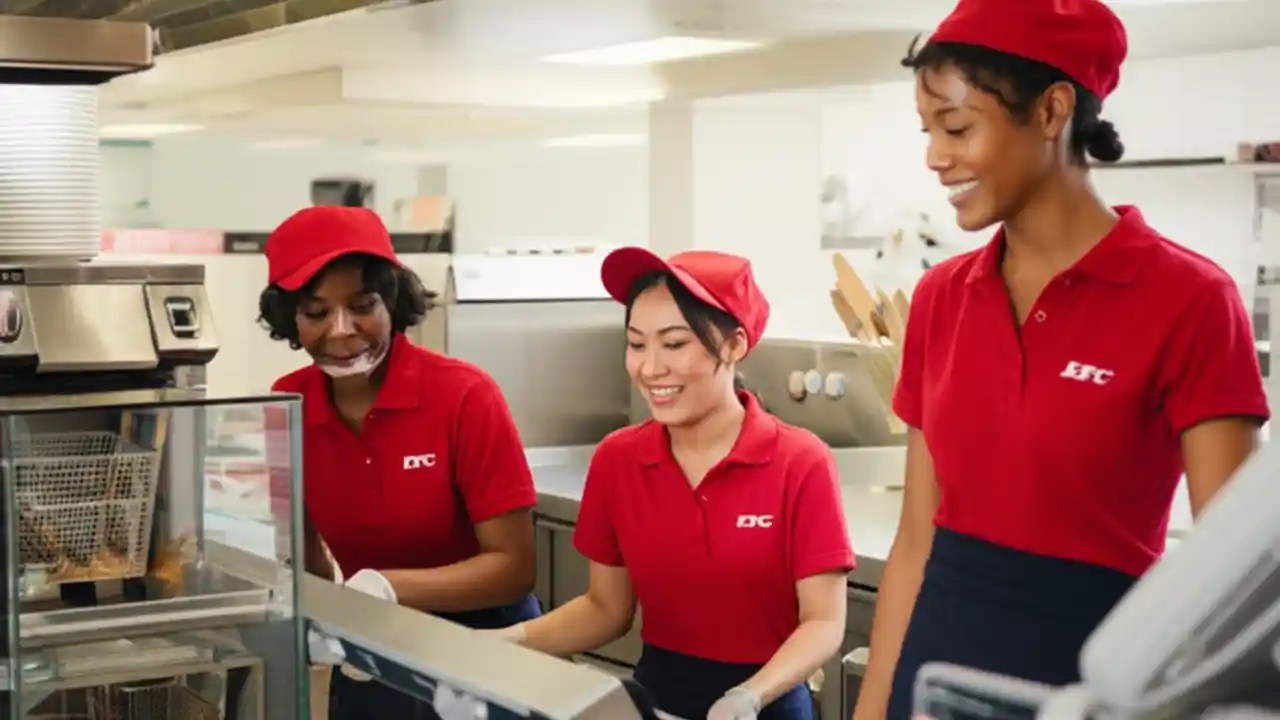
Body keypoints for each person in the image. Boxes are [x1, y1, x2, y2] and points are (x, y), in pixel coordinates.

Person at [852, 2, 1272, 719]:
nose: (935, 157)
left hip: (1088, 680)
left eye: (957, 127)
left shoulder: (1192, 299)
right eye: (929, 132)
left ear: (1051, 111)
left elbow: (1232, 582)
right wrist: (872, 709)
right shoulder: (940, 297)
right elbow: (917, 539)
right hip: (934, 665)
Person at [488, 247, 854, 720]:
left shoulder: (799, 462)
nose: (650, 367)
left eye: (675, 344)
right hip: (656, 702)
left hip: (768, 706)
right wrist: (505, 641)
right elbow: (605, 608)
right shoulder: (618, 460)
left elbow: (823, 622)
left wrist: (749, 696)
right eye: (637, 344)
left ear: (735, 345)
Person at [259, 205, 542, 720]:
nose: (341, 330)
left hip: (484, 652)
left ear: (391, 299)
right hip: (373, 653)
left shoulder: (464, 396)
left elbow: (513, 567)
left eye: (362, 306)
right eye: (316, 313)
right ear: (290, 318)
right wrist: (324, 618)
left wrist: (388, 588)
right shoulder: (288, 404)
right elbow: (302, 555)